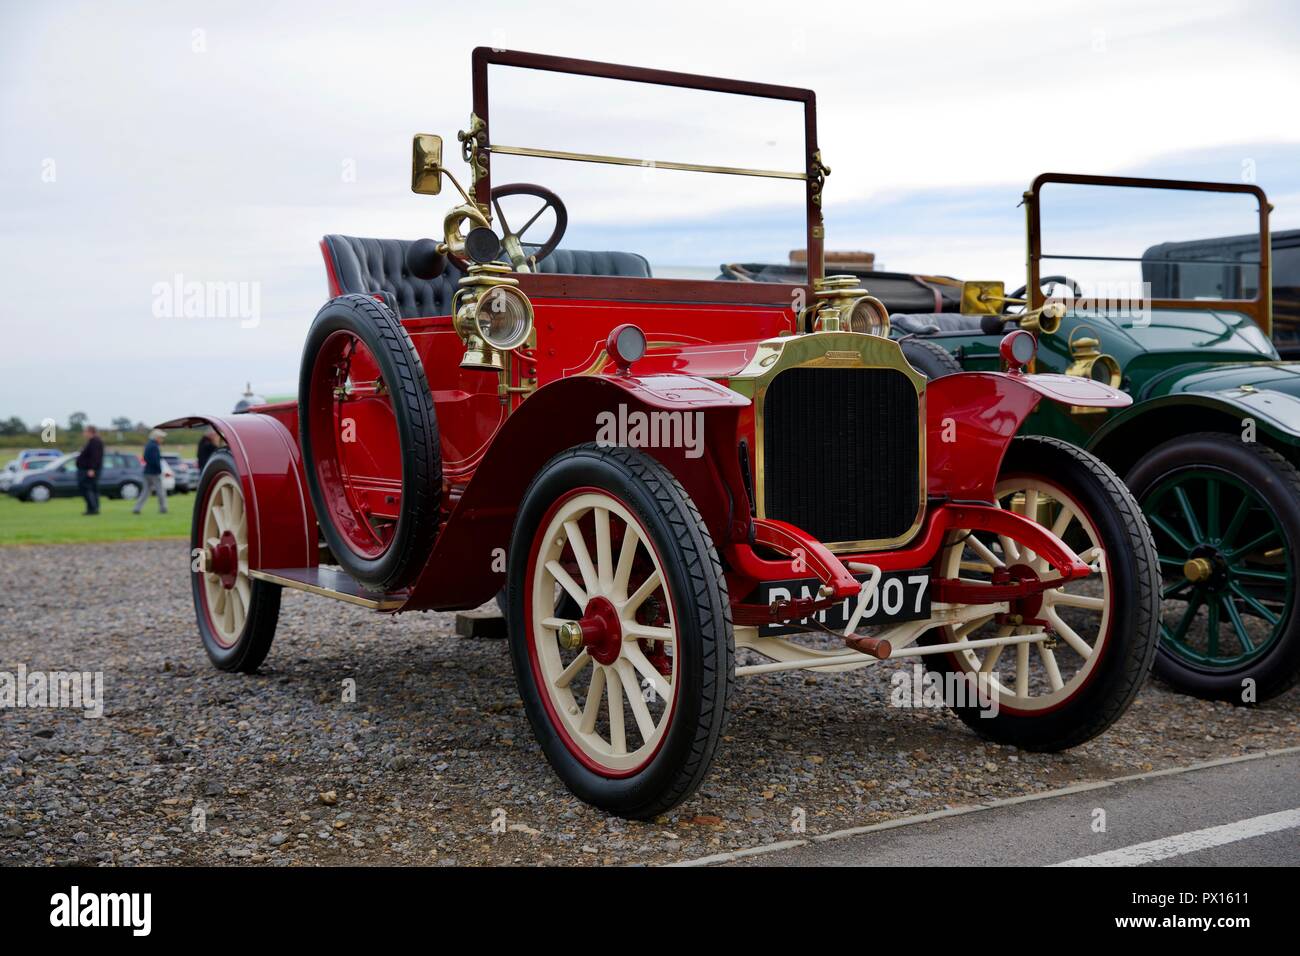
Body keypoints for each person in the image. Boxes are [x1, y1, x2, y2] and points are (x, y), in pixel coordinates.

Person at [133, 428, 168, 514]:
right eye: (161, 437)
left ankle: (137, 508)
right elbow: (155, 460)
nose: (162, 440)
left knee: (145, 491)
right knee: (160, 491)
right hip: (154, 472)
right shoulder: (154, 446)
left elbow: (145, 458)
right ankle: (163, 508)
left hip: (146, 471)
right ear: (157, 437)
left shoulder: (148, 445)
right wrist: (159, 470)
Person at [75, 425, 104, 515]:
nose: (83, 433)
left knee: (87, 488)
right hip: (88, 469)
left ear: (90, 432)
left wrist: (92, 469)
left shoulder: (95, 442)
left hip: (89, 470)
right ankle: (92, 508)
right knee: (92, 489)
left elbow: (95, 457)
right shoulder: (92, 442)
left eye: (85, 431)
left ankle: (93, 508)